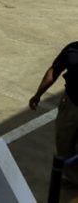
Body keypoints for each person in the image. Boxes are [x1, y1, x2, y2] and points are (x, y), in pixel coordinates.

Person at [29, 42, 78, 184]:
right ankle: (74, 178)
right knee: (64, 142)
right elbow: (54, 71)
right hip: (71, 104)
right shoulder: (72, 50)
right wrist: (38, 94)